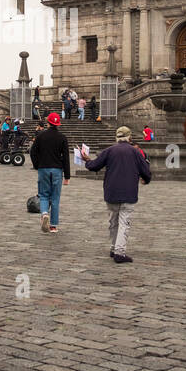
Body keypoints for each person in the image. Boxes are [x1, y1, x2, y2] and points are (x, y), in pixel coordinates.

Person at [82, 125, 152, 263]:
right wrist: (146, 179)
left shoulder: (109, 150)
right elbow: (145, 170)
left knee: (113, 221)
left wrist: (87, 160)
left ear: (117, 137)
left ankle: (114, 248)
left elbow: (94, 166)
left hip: (111, 192)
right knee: (124, 222)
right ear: (129, 137)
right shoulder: (135, 152)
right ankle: (120, 252)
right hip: (128, 192)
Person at [29, 111, 70, 234]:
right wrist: (67, 176)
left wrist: (37, 165)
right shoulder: (62, 138)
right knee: (55, 198)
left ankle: (44, 213)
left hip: (43, 169)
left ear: (48, 123)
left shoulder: (41, 136)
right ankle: (53, 226)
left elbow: (33, 152)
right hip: (57, 169)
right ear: (58, 124)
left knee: (44, 194)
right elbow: (66, 157)